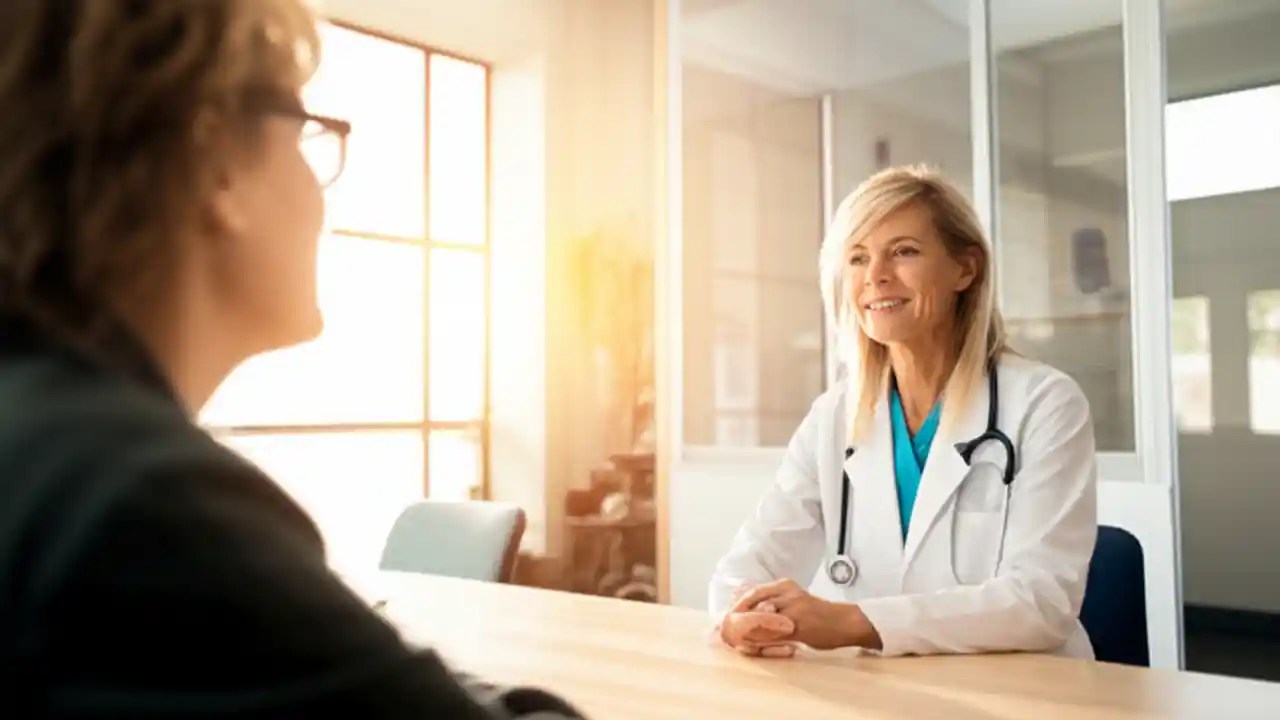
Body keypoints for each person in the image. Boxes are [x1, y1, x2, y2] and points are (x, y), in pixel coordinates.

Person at [0, 1, 581, 717]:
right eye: (305, 133)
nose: (316, 193)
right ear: (217, 162)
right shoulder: (137, 499)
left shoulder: (38, 435)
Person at [709, 166, 1098, 659]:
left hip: (1023, 693)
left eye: (904, 251)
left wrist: (853, 620)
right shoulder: (834, 417)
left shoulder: (1044, 403)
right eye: (857, 257)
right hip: (889, 691)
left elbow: (1040, 603)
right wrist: (740, 618)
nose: (875, 276)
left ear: (966, 269)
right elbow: (748, 566)